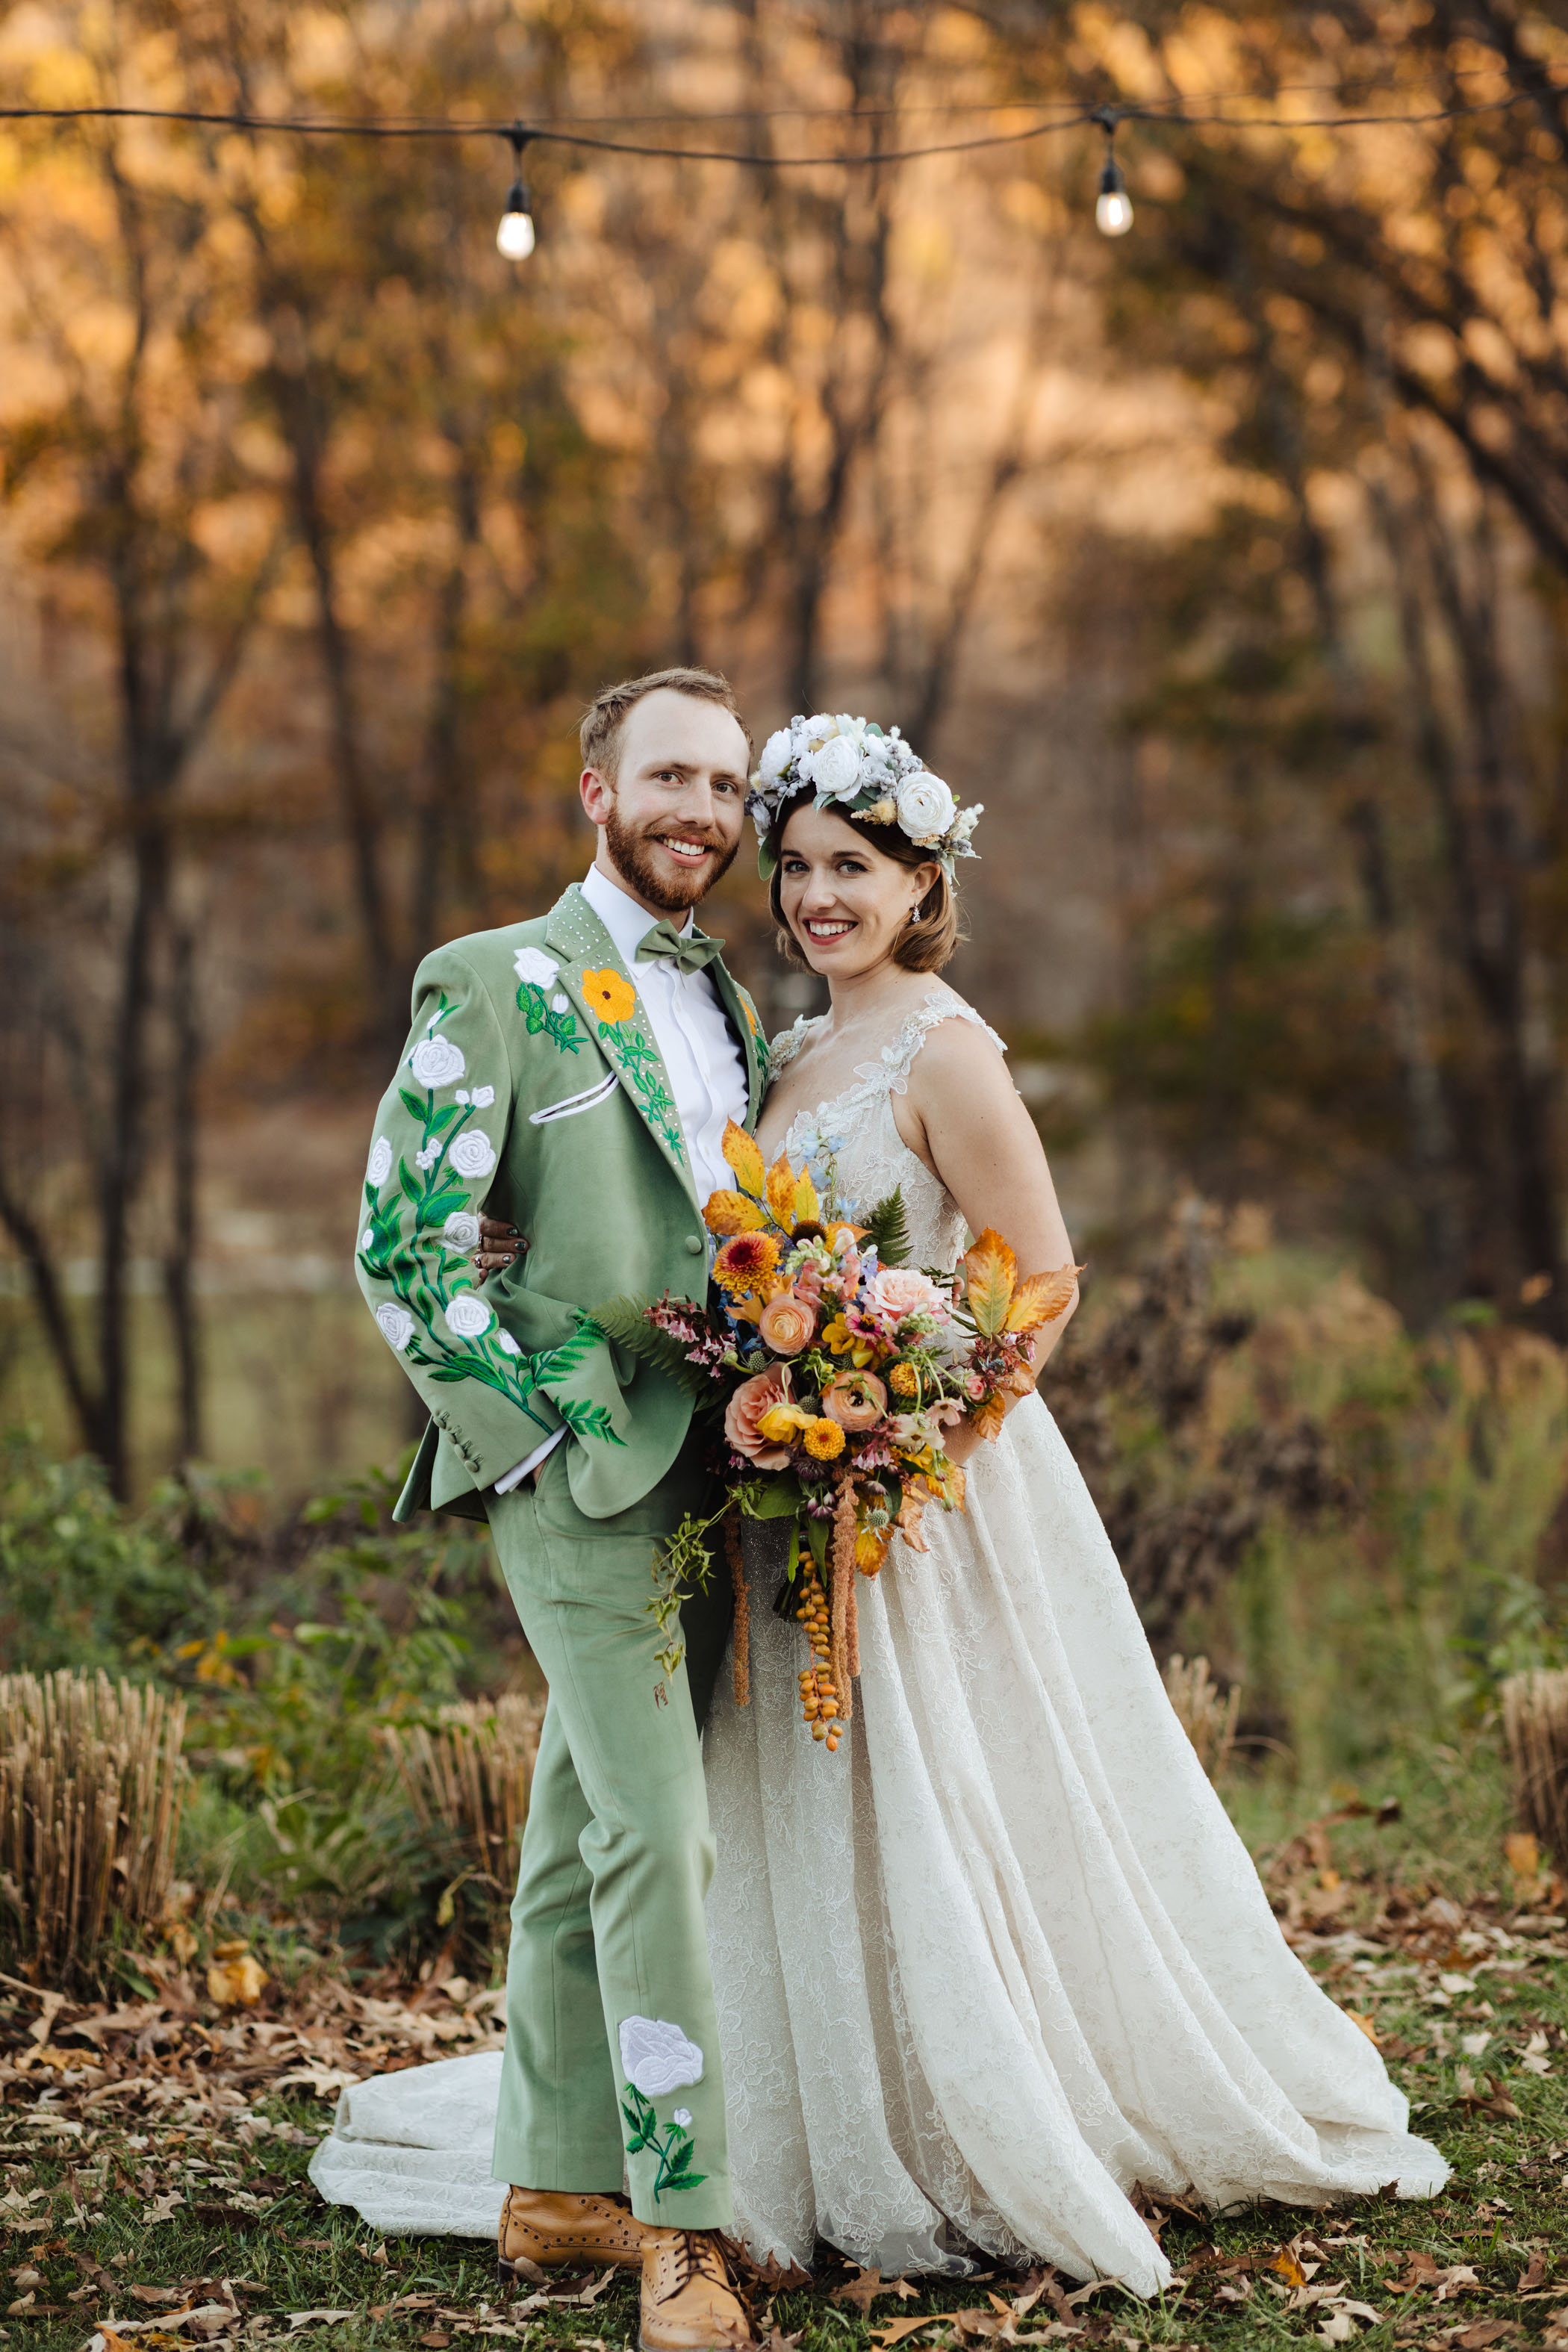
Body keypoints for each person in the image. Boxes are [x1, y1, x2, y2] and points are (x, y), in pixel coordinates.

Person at [314, 711, 1447, 2299]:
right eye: (798, 867)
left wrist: (917, 1436)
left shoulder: (935, 1046)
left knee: (839, 1808)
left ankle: (701, 2166)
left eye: (851, 866)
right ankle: (651, 2199)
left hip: (908, 1492)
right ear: (601, 793)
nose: (815, 895)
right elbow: (564, 1224)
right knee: (662, 1822)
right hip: (720, 1472)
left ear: (925, 881)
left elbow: (1038, 1277)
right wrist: (532, 1325)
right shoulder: (740, 1030)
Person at [335, 668, 769, 2352]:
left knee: (585, 1828)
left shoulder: (728, 999)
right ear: (598, 792)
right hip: (577, 1468)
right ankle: (680, 2226)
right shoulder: (493, 983)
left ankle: (550, 2180)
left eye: (726, 788)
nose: (704, 814)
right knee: (663, 1838)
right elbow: (407, 1249)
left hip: (729, 1469)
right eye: (672, 777)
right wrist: (541, 1436)